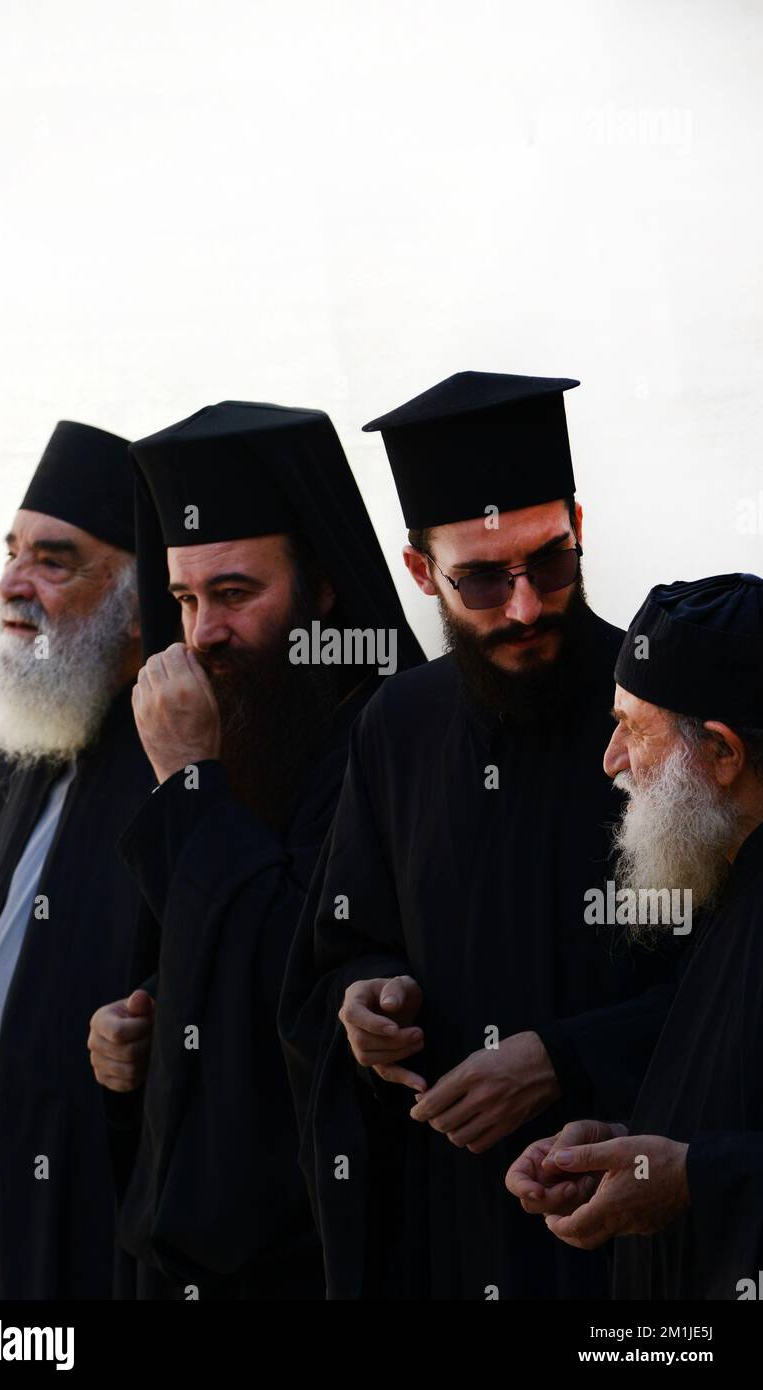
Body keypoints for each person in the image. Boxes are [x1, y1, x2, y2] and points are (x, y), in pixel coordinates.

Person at [280, 371, 675, 1299]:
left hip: (630, 1238)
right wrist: (364, 1005)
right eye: (484, 579)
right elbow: (343, 946)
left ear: (580, 523)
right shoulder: (396, 727)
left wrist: (565, 1060)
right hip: (446, 1232)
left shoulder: (673, 714)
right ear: (422, 572)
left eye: (551, 561)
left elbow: (739, 981)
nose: (528, 605)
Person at [87, 399, 423, 1298]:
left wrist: (192, 785)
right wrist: (145, 1021)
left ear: (320, 588)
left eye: (236, 594)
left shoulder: (385, 747)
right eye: (186, 600)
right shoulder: (228, 733)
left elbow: (298, 984)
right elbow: (207, 948)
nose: (202, 635)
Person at [0, 421, 152, 1299]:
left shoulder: (172, 765)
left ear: (135, 602)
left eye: (53, 562)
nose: (12, 584)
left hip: (81, 1244)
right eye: (13, 552)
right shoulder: (23, 744)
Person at [506, 573, 763, 1300]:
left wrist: (692, 1178)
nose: (612, 760)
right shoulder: (735, 878)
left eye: (634, 728)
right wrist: (630, 1143)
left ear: (722, 752)